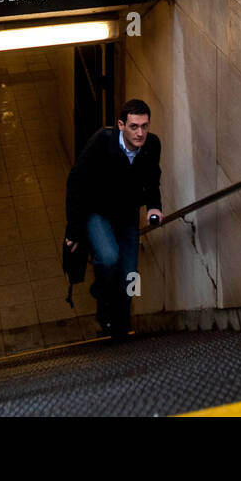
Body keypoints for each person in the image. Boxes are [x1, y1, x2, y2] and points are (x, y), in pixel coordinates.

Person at [64, 99, 162, 341]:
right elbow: (76, 183)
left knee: (130, 274)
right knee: (108, 258)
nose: (140, 133)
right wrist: (74, 231)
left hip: (126, 216)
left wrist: (154, 207)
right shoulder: (102, 142)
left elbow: (152, 179)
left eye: (145, 126)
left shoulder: (152, 144)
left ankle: (118, 326)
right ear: (121, 125)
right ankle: (101, 295)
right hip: (97, 212)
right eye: (134, 126)